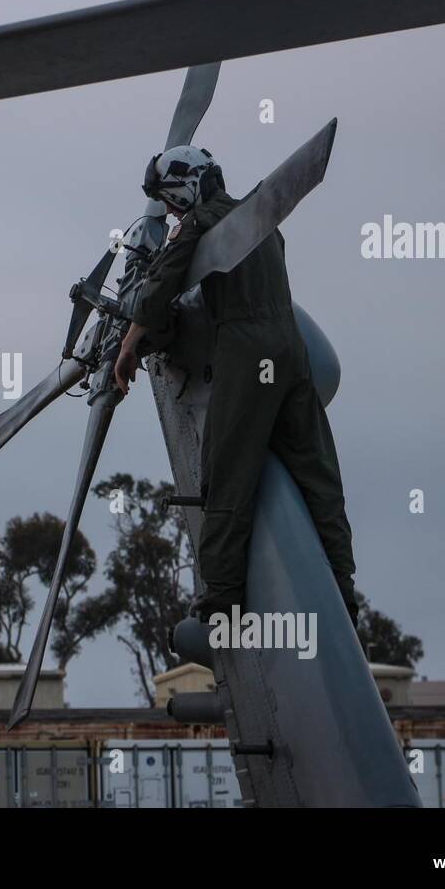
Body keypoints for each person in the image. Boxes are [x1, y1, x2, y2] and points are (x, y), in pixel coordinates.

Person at [113, 145, 359, 624]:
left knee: (226, 473)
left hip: (246, 350)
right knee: (319, 475)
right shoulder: (263, 220)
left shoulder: (202, 226)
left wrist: (128, 345)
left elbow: (161, 287)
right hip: (291, 348)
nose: (168, 210)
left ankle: (223, 593)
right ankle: (342, 588)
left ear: (186, 188)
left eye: (169, 199)